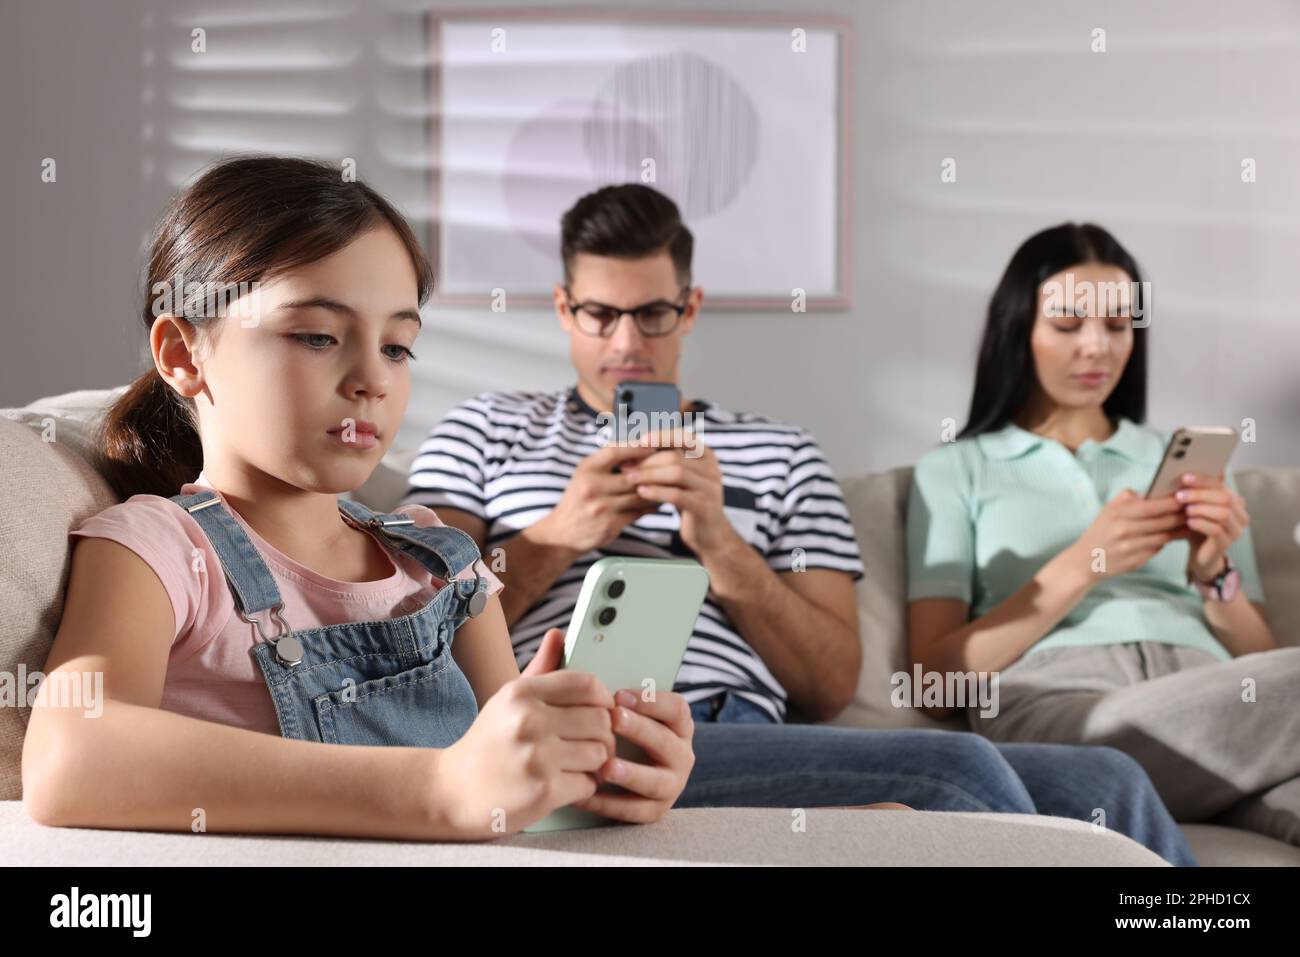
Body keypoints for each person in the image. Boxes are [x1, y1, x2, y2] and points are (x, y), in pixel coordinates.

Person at [404, 185, 1197, 863]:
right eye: (600, 314)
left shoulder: (781, 453)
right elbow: (416, 629)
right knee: (955, 774)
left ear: (690, 308)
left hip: (734, 729)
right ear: (562, 308)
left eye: (651, 313)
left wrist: (722, 546)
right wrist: (555, 536)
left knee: (1109, 781)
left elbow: (828, 685)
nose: (626, 343)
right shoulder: (485, 429)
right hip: (553, 719)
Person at [22, 156, 695, 840]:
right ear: (183, 355)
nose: (372, 377)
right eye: (317, 335)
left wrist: (594, 773)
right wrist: (439, 788)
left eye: (398, 347)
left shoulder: (442, 563)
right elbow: (67, 756)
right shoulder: (162, 548)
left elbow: (515, 804)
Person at [906, 221, 1300, 847]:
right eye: (1068, 326)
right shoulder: (955, 469)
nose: (1097, 348)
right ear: (1019, 331)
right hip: (1067, 703)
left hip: (1216, 698)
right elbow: (932, 682)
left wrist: (1213, 576)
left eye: (1118, 326)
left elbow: (1260, 664)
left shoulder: (1182, 460)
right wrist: (1085, 564)